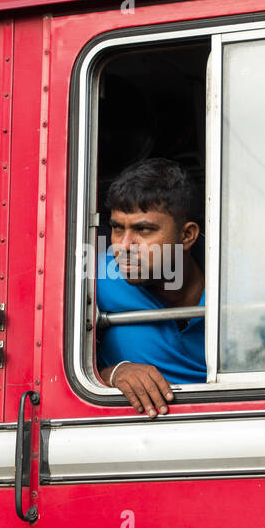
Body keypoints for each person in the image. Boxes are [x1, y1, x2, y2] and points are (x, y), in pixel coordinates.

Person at [96, 159, 205, 418]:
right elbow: (47, 375)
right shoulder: (93, 280)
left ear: (187, 235)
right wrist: (113, 373)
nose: (123, 245)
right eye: (116, 228)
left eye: (143, 230)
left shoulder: (239, 282)